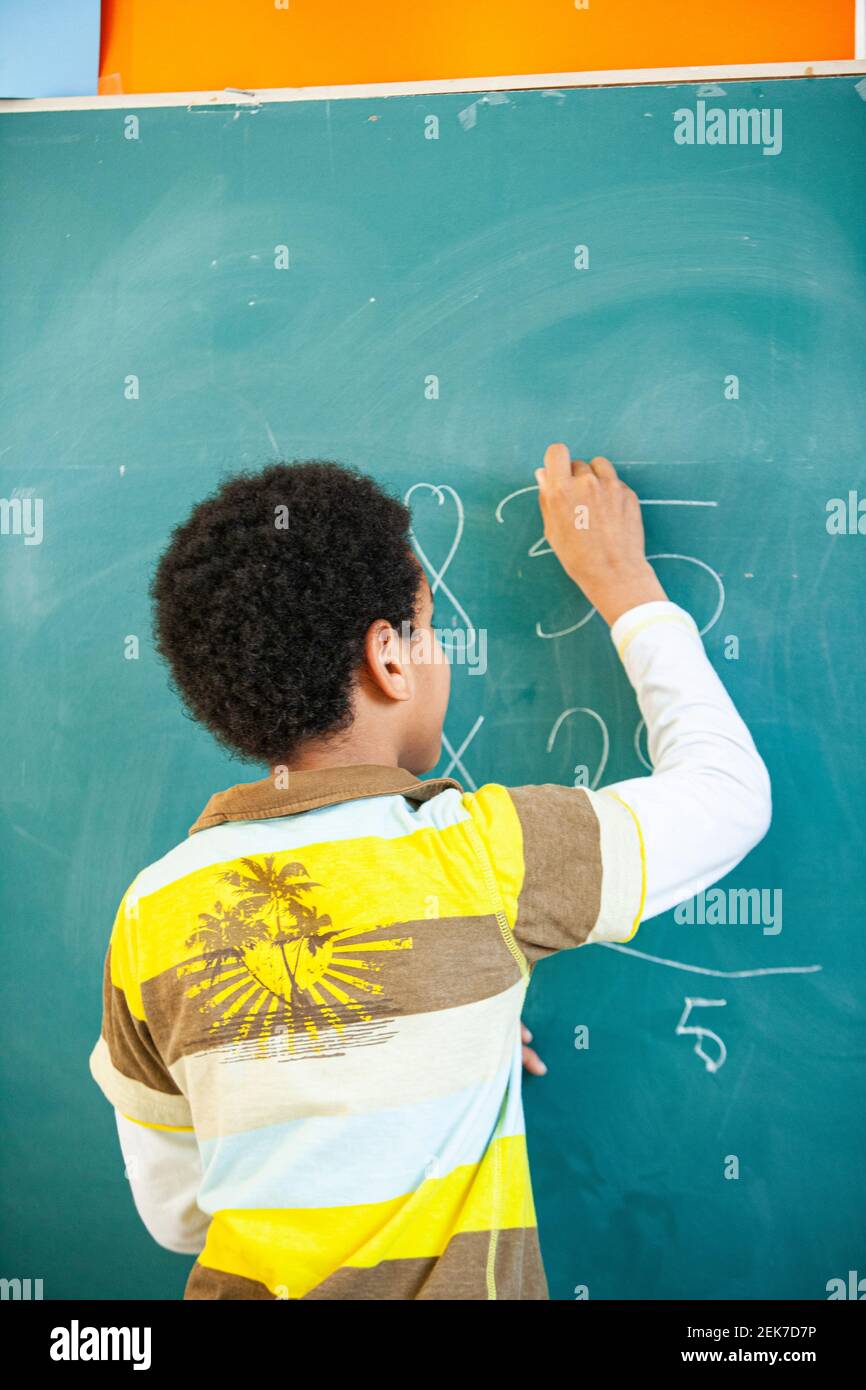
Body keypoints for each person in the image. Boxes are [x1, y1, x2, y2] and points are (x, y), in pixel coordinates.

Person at [89, 443, 771, 1299]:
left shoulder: (152, 910)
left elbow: (177, 1216)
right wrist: (624, 586)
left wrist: (440, 1040)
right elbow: (730, 794)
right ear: (389, 657)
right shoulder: (479, 856)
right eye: (432, 626)